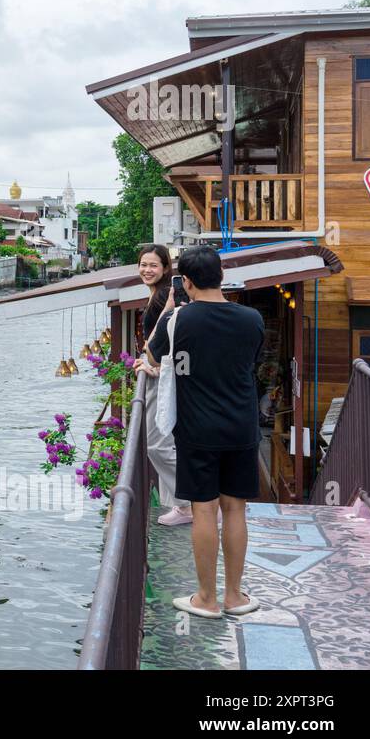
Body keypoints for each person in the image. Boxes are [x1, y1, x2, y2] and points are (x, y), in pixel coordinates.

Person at [144, 245, 265, 620]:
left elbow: (151, 356)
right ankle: (234, 597)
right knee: (235, 510)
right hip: (242, 427)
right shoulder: (252, 318)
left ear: (187, 282)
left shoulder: (179, 320)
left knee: (203, 512)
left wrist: (169, 310)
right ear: (222, 276)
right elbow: (252, 362)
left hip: (197, 431)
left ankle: (206, 599)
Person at [135, 243, 192, 527]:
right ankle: (181, 506)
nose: (147, 270)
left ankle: (191, 502)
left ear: (165, 268)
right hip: (162, 372)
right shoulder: (156, 295)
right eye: (143, 264)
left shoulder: (161, 299)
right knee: (163, 444)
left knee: (157, 445)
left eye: (153, 265)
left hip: (164, 376)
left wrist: (153, 365)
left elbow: (164, 339)